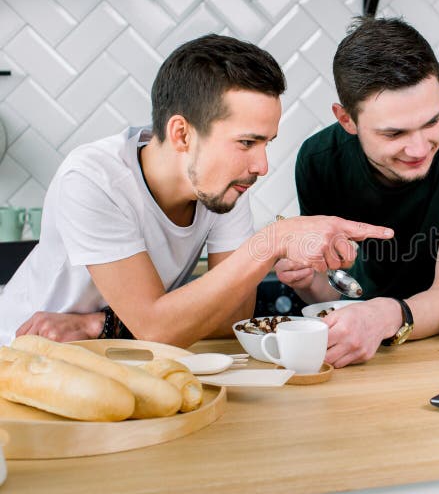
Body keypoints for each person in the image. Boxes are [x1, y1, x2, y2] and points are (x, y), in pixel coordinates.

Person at [0, 34, 393, 347]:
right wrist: (273, 241)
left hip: (114, 352)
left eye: (266, 144)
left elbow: (230, 319)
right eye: (246, 143)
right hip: (26, 351)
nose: (261, 166)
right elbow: (157, 327)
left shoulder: (222, 186)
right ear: (181, 133)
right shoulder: (94, 180)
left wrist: (96, 325)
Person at [276, 17, 439, 368]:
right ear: (347, 120)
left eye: (433, 121)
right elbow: (340, 291)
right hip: (371, 346)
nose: (419, 148)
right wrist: (307, 281)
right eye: (394, 134)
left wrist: (382, 316)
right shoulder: (318, 162)